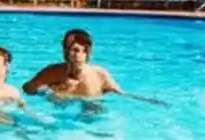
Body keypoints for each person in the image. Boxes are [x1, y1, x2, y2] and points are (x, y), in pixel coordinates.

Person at [22, 28, 165, 113]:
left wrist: (149, 101)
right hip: (60, 115)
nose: (72, 53)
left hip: (90, 117)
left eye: (77, 50)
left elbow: (122, 94)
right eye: (69, 49)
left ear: (87, 52)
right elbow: (27, 87)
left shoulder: (99, 75)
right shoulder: (52, 71)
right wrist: (45, 92)